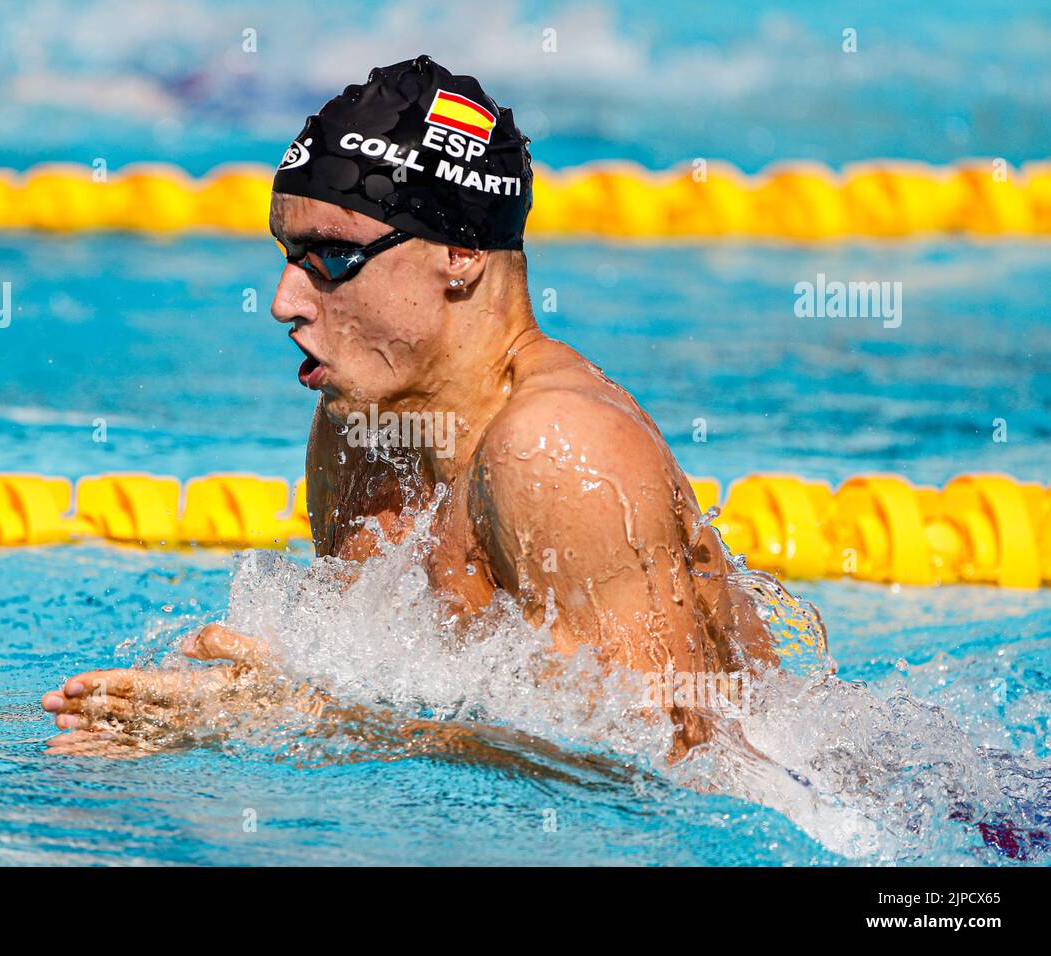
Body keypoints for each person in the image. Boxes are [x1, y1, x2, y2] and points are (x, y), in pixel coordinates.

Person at [42, 55, 775, 759]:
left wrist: (298, 720)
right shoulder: (362, 422)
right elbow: (389, 694)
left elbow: (674, 767)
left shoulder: (558, 448)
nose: (283, 303)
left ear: (460, 253)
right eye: (286, 255)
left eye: (330, 257)